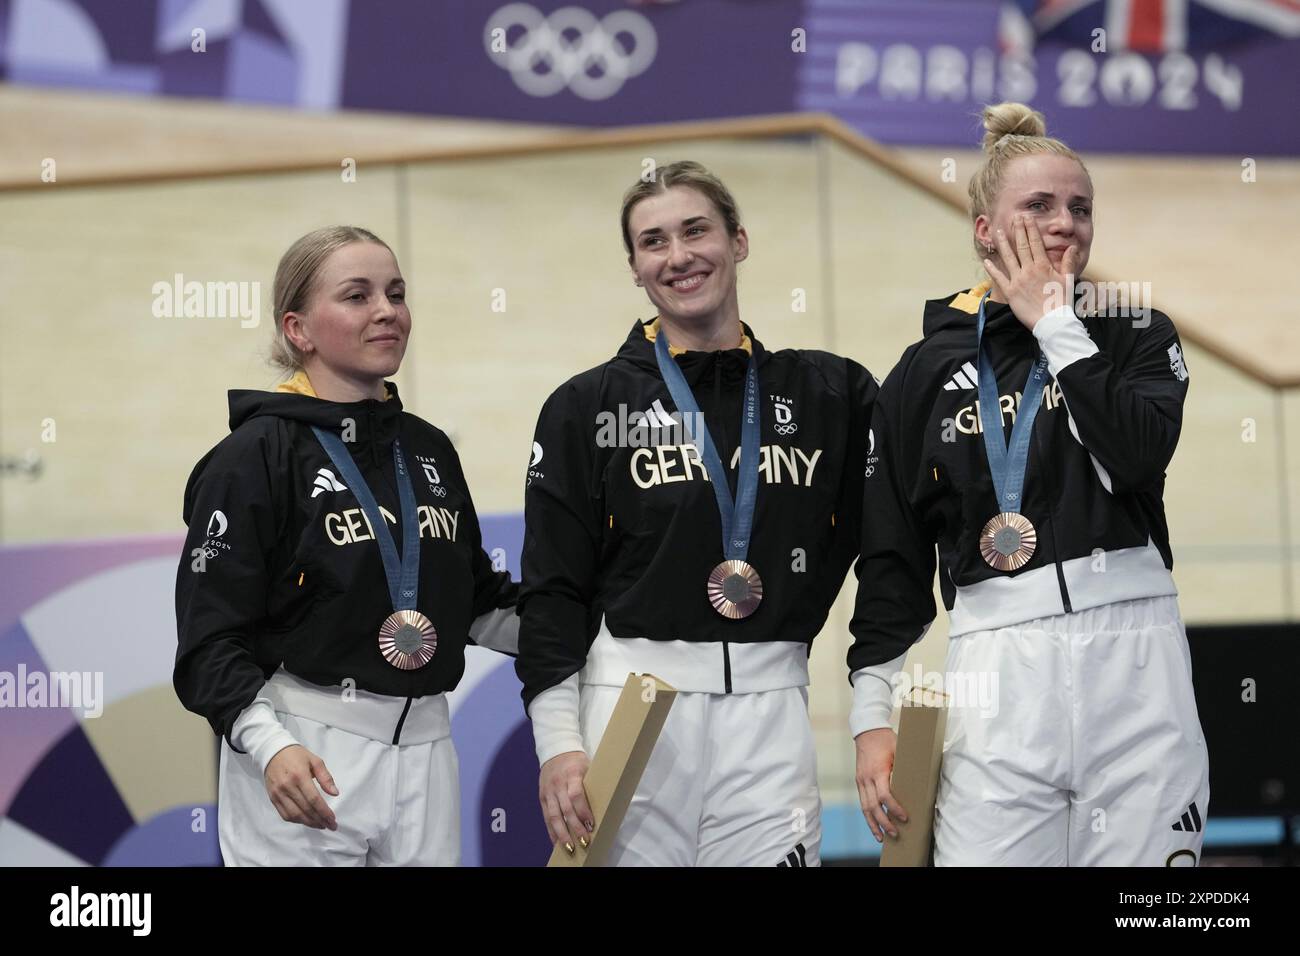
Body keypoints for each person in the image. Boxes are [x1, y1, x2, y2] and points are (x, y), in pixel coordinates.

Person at [849, 104, 1210, 866]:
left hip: (1136, 659)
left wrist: (1056, 325)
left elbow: (1137, 456)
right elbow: (892, 554)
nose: (1065, 224)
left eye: (1080, 208)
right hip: (998, 668)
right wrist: (870, 714)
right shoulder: (920, 374)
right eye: (1038, 206)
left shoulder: (1136, 331)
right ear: (985, 230)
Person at [518, 161, 878, 867]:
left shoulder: (830, 394)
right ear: (634, 267)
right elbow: (554, 588)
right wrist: (559, 743)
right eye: (653, 242)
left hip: (771, 714)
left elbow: (881, 551)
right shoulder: (587, 407)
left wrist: (873, 709)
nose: (678, 256)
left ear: (738, 241)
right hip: (631, 712)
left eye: (695, 231)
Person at [174, 225, 517, 866]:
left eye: (396, 292)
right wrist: (268, 744)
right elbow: (208, 641)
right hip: (303, 751)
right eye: (357, 296)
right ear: (298, 330)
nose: (387, 310)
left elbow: (477, 604)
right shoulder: (252, 457)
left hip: (428, 750)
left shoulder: (429, 448)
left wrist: (609, 619)